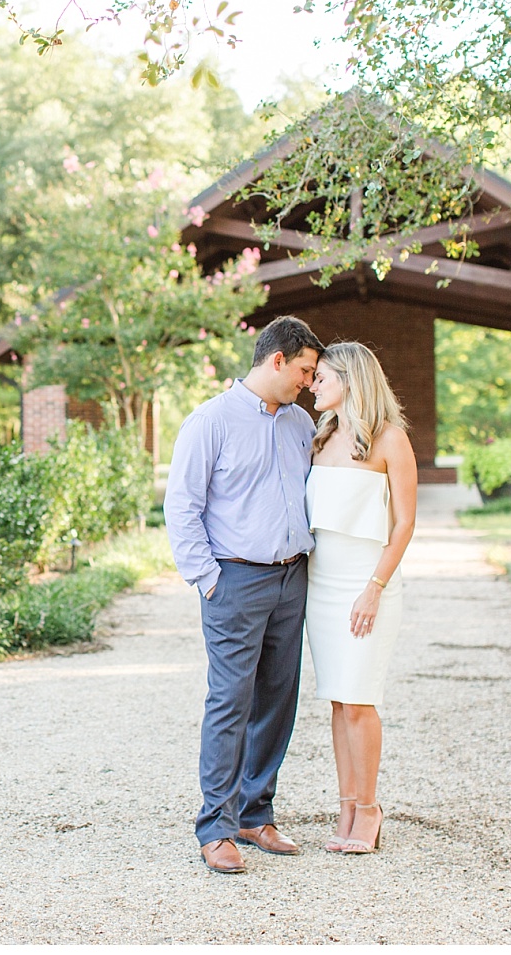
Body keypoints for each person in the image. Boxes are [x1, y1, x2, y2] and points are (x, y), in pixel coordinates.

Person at [164, 314, 324, 874]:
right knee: (231, 701)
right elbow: (181, 507)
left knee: (279, 700)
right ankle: (217, 827)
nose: (309, 381)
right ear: (277, 360)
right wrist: (209, 580)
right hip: (234, 579)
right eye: (305, 370)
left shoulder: (301, 424)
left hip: (291, 578)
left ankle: (257, 814)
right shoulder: (211, 420)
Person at [303, 341, 417, 855]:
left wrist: (374, 588)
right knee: (337, 700)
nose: (313, 383)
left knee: (359, 700)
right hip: (321, 583)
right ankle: (345, 804)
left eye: (322, 376)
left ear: (351, 379)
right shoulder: (319, 438)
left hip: (367, 583)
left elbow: (406, 523)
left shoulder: (391, 440)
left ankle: (368, 810)